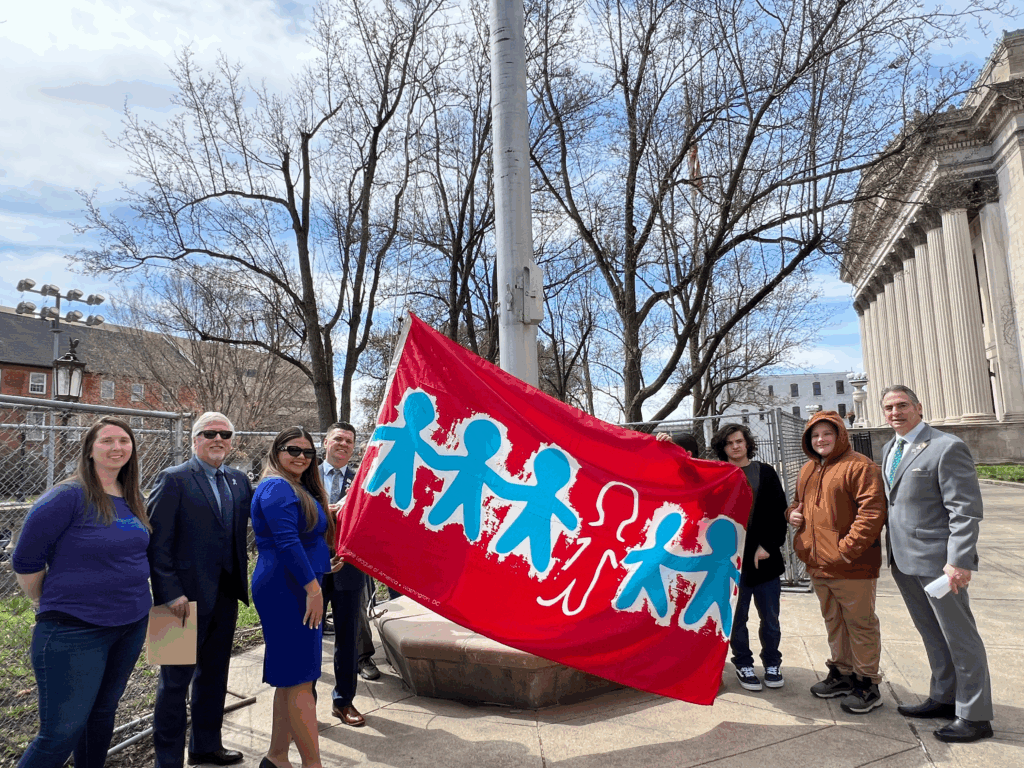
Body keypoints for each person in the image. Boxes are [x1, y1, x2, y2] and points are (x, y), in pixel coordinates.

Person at [12, 416, 152, 768]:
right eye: (107, 441)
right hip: (75, 630)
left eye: (123, 440)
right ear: (89, 450)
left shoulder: (131, 496)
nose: (117, 447)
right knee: (60, 734)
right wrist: (47, 601)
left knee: (102, 715)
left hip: (130, 624)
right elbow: (26, 560)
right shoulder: (67, 496)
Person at [881, 385, 994, 743]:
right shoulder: (889, 448)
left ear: (918, 407)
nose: (895, 412)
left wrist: (959, 561)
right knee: (932, 634)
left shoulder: (947, 446)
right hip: (904, 561)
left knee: (961, 638)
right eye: (888, 408)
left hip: (940, 564)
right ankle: (945, 697)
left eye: (902, 405)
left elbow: (965, 510)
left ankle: (975, 715)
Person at [148, 412, 253, 768]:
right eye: (210, 433)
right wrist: (169, 593)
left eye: (225, 433)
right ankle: (168, 760)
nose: (218, 439)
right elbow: (156, 544)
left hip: (225, 597)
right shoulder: (173, 479)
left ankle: (206, 746)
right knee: (174, 685)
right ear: (195, 440)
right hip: (177, 603)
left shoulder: (239, 481)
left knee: (214, 677)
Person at [787, 411, 886, 714]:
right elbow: (796, 505)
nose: (821, 440)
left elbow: (871, 514)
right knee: (834, 622)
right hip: (817, 563)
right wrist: (791, 515)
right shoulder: (807, 470)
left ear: (840, 435)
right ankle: (842, 673)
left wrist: (846, 550)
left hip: (851, 565)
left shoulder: (861, 467)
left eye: (827, 434)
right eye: (815, 435)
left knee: (860, 624)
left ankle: (867, 682)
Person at [252, 426, 339, 768]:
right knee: (302, 679)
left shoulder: (298, 487)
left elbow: (301, 541)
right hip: (286, 589)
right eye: (293, 449)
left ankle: (276, 757)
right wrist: (314, 589)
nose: (301, 456)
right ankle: (312, 765)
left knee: (292, 678)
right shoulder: (276, 486)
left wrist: (321, 567)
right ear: (277, 451)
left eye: (307, 452)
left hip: (298, 583)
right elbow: (286, 543)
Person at [709, 424, 788, 692]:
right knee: (737, 620)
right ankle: (743, 663)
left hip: (764, 562)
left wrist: (767, 545)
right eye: (729, 443)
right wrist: (667, 446)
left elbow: (780, 513)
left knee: (770, 619)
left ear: (747, 443)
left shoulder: (765, 472)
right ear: (723, 448)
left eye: (739, 441)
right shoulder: (719, 474)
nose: (735, 446)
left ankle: (772, 663)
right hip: (732, 565)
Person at [319, 421, 375, 728]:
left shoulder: (363, 480)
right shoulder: (304, 474)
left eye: (349, 441)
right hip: (311, 569)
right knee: (309, 638)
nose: (343, 444)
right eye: (338, 439)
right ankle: (303, 703)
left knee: (348, 637)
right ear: (325, 442)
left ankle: (343, 701)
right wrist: (324, 511)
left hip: (348, 568)